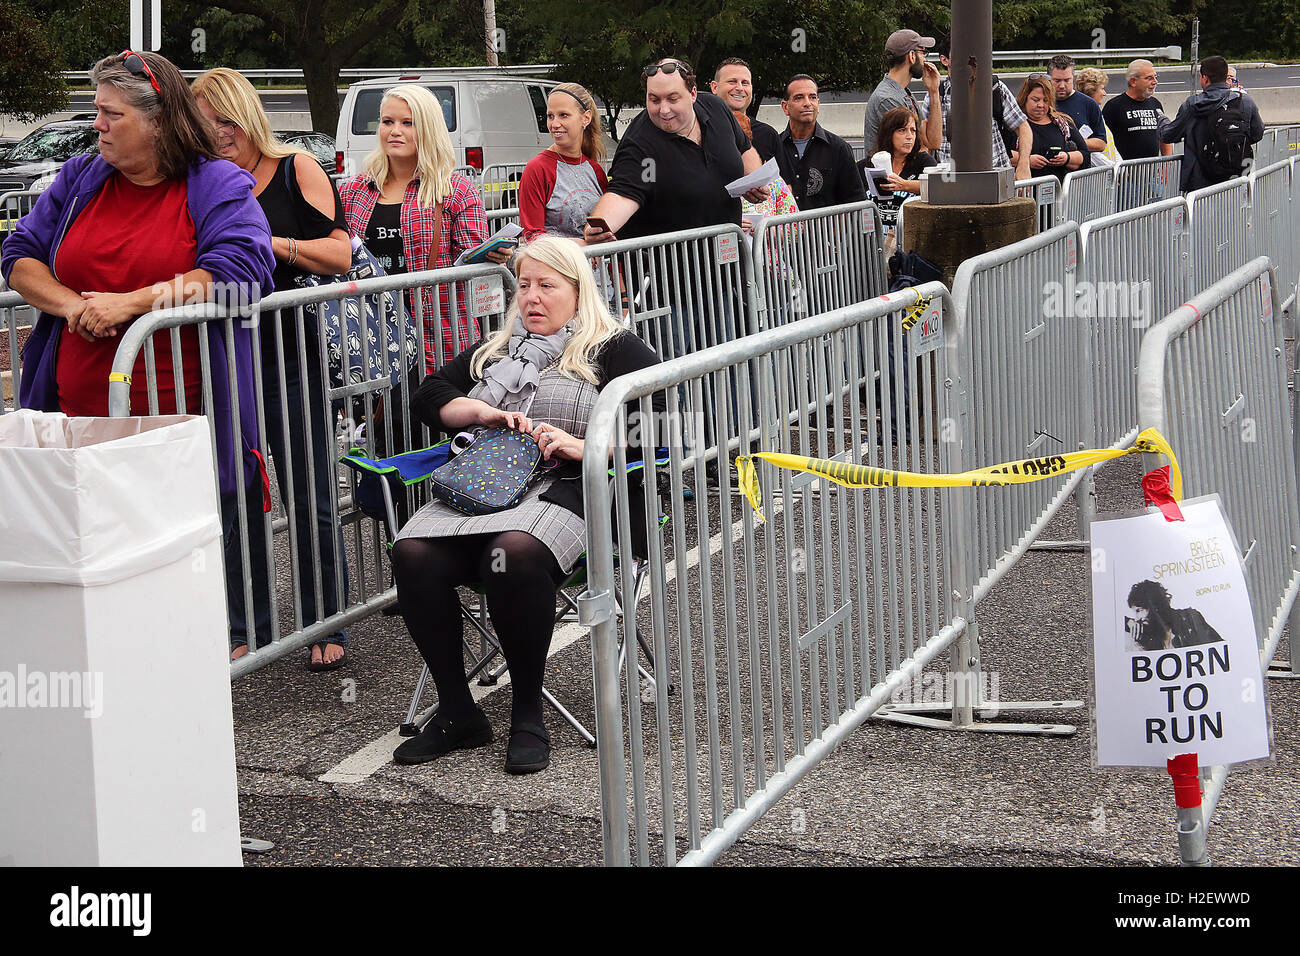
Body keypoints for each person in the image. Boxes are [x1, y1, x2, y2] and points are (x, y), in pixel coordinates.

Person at [389, 236, 662, 774]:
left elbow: (670, 433)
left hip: (576, 490)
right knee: (411, 552)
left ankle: (527, 712)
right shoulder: (500, 350)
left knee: (514, 551)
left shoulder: (616, 350)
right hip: (487, 488)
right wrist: (478, 413)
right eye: (525, 286)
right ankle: (458, 710)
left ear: (579, 292)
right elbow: (428, 395)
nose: (531, 298)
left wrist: (585, 447)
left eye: (547, 286)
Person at [1, 50, 273, 506]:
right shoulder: (80, 177)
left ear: (159, 122)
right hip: (75, 429)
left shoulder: (216, 183)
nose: (97, 125)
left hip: (179, 435)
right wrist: (73, 305)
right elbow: (19, 255)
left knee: (180, 566)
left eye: (112, 114)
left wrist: (131, 303)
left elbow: (241, 275)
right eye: (96, 112)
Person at [192, 67, 354, 669]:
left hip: (290, 352)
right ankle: (246, 625)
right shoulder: (199, 181)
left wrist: (273, 245)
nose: (220, 135)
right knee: (235, 497)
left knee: (308, 492)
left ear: (248, 117)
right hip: (224, 357)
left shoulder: (296, 168)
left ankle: (325, 621)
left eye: (227, 122)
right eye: (208, 125)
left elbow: (338, 252)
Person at [340, 85, 508, 375]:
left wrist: (496, 256)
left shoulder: (455, 190)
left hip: (440, 337)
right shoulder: (354, 191)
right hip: (372, 336)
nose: (395, 131)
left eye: (408, 123)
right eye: (387, 122)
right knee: (382, 419)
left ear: (428, 128)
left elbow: (474, 266)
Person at [583, 57, 768, 244]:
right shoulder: (641, 144)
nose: (664, 110)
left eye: (673, 98)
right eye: (654, 99)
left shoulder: (716, 108)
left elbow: (744, 148)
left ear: (693, 93)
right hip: (673, 267)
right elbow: (624, 194)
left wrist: (755, 180)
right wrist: (599, 226)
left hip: (729, 261)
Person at [1157, 56, 1264, 193]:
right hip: (1237, 179)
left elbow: (1168, 135)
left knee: (1200, 214)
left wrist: (1162, 119)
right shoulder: (1245, 100)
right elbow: (1257, 133)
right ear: (1226, 76)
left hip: (1200, 185)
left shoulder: (1193, 105)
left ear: (1205, 78)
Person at [930, 36, 1031, 182]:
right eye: (960, 54)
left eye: (970, 54)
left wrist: (1023, 165)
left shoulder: (994, 88)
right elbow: (927, 143)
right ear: (944, 60)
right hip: (952, 182)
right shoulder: (937, 94)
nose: (968, 59)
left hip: (997, 179)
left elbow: (1023, 126)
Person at [517, 82, 608, 242]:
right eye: (550, 116)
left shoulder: (595, 170)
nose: (554, 124)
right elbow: (533, 237)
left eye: (563, 115)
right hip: (556, 265)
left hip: (594, 266)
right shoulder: (537, 169)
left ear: (586, 118)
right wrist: (583, 245)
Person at [775, 74, 867, 211]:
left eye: (812, 97)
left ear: (818, 103)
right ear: (785, 107)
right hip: (783, 231)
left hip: (828, 232)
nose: (807, 103)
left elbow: (856, 203)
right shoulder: (774, 149)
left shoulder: (839, 149)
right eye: (799, 98)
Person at [863, 29, 942, 157]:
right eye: (922, 52)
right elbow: (917, 149)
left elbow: (933, 142)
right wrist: (924, 145)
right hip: (892, 177)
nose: (924, 59)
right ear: (911, 56)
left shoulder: (905, 94)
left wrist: (933, 91)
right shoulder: (887, 99)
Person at [865, 107, 938, 236]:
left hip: (911, 240)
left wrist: (904, 185)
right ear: (888, 133)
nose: (909, 137)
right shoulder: (867, 165)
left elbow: (937, 186)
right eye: (902, 130)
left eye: (913, 131)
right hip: (874, 244)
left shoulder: (923, 162)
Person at [1017, 75, 1089, 183]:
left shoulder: (1063, 123)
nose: (1040, 105)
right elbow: (999, 155)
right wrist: (1025, 160)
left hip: (1058, 193)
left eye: (1046, 100)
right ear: (1025, 98)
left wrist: (1067, 158)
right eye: (1035, 100)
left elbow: (1085, 155)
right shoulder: (1013, 124)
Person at [711, 57, 780, 161]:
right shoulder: (699, 130)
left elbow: (783, 176)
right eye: (732, 81)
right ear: (714, 87)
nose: (740, 88)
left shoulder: (768, 135)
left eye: (745, 83)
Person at [1099, 60, 1171, 160]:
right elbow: (1103, 141)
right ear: (1133, 81)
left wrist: (1167, 164)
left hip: (1152, 172)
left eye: (1155, 77)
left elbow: (1164, 135)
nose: (1155, 82)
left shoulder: (1155, 104)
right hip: (1124, 172)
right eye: (1149, 78)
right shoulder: (1114, 106)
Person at [1047, 55, 1107, 156]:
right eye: (1057, 81)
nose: (1062, 86)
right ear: (1049, 79)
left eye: (1067, 80)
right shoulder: (1040, 103)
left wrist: (1073, 142)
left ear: (1073, 78)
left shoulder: (1089, 104)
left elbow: (1101, 143)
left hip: (1080, 168)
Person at [1075, 68, 1119, 165]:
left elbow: (1111, 146)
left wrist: (1121, 166)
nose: (1104, 93)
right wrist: (1115, 169)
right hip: (1099, 175)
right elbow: (1090, 151)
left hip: (1111, 173)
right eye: (1102, 89)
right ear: (1091, 90)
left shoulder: (1097, 114)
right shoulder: (1083, 116)